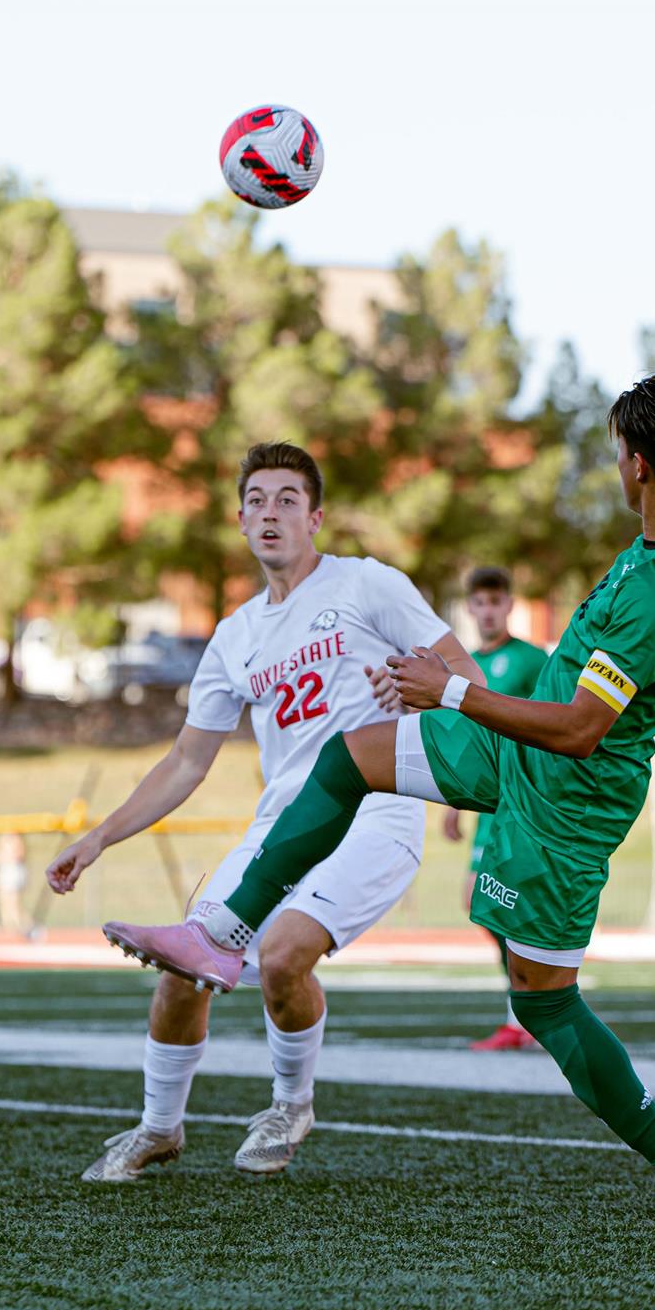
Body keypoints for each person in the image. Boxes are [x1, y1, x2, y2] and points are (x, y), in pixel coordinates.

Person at [105, 372, 655, 1215]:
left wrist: (445, 691)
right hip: (516, 739)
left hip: (566, 791)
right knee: (351, 757)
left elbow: (577, 731)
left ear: (637, 466)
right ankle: (221, 935)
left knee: (542, 1002)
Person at [47, 442, 479, 1181]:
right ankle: (159, 1127)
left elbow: (461, 672)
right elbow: (187, 760)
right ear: (240, 521)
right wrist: (99, 836)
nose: (270, 511)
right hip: (280, 824)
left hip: (378, 813)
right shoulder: (234, 636)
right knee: (184, 962)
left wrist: (418, 686)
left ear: (315, 516)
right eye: (256, 499)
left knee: (281, 951)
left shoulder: (367, 584)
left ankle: (290, 1103)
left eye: (286, 498)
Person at [441, 566, 547, 1050]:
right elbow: (469, 731)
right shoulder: (467, 664)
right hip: (486, 799)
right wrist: (452, 802)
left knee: (496, 902)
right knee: (482, 905)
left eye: (496, 601)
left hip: (520, 797)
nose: (487, 610)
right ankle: (526, 1006)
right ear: (470, 608)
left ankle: (526, 1011)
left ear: (509, 605)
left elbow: (553, 715)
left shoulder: (529, 659)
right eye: (479, 602)